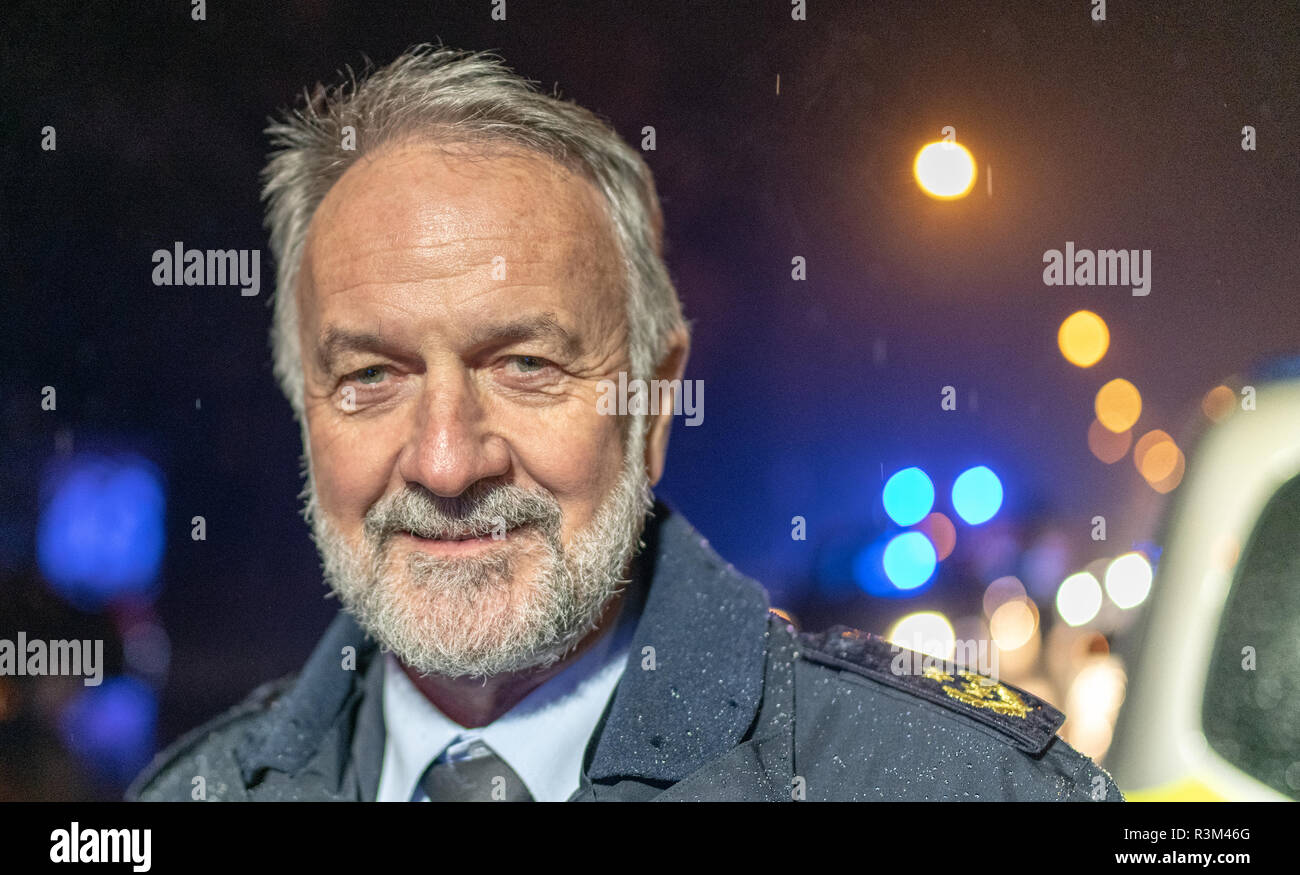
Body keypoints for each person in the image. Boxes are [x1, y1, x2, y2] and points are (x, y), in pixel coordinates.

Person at [128, 45, 1122, 802]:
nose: (442, 460)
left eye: (524, 365)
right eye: (371, 375)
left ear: (652, 401)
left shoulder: (955, 787)